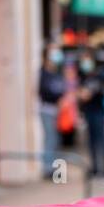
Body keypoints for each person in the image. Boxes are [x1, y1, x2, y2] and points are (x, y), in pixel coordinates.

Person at [75, 47, 104, 180]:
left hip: (99, 112)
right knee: (91, 142)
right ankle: (95, 169)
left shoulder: (99, 73)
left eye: (86, 58)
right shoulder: (83, 75)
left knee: (102, 141)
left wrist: (86, 93)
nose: (84, 61)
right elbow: (80, 93)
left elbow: (93, 92)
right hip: (88, 112)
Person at [38, 45, 67, 180]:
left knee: (56, 140)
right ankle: (48, 169)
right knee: (49, 139)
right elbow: (45, 91)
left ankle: (57, 170)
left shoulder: (57, 72)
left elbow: (63, 89)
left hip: (59, 111)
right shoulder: (43, 73)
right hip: (47, 109)